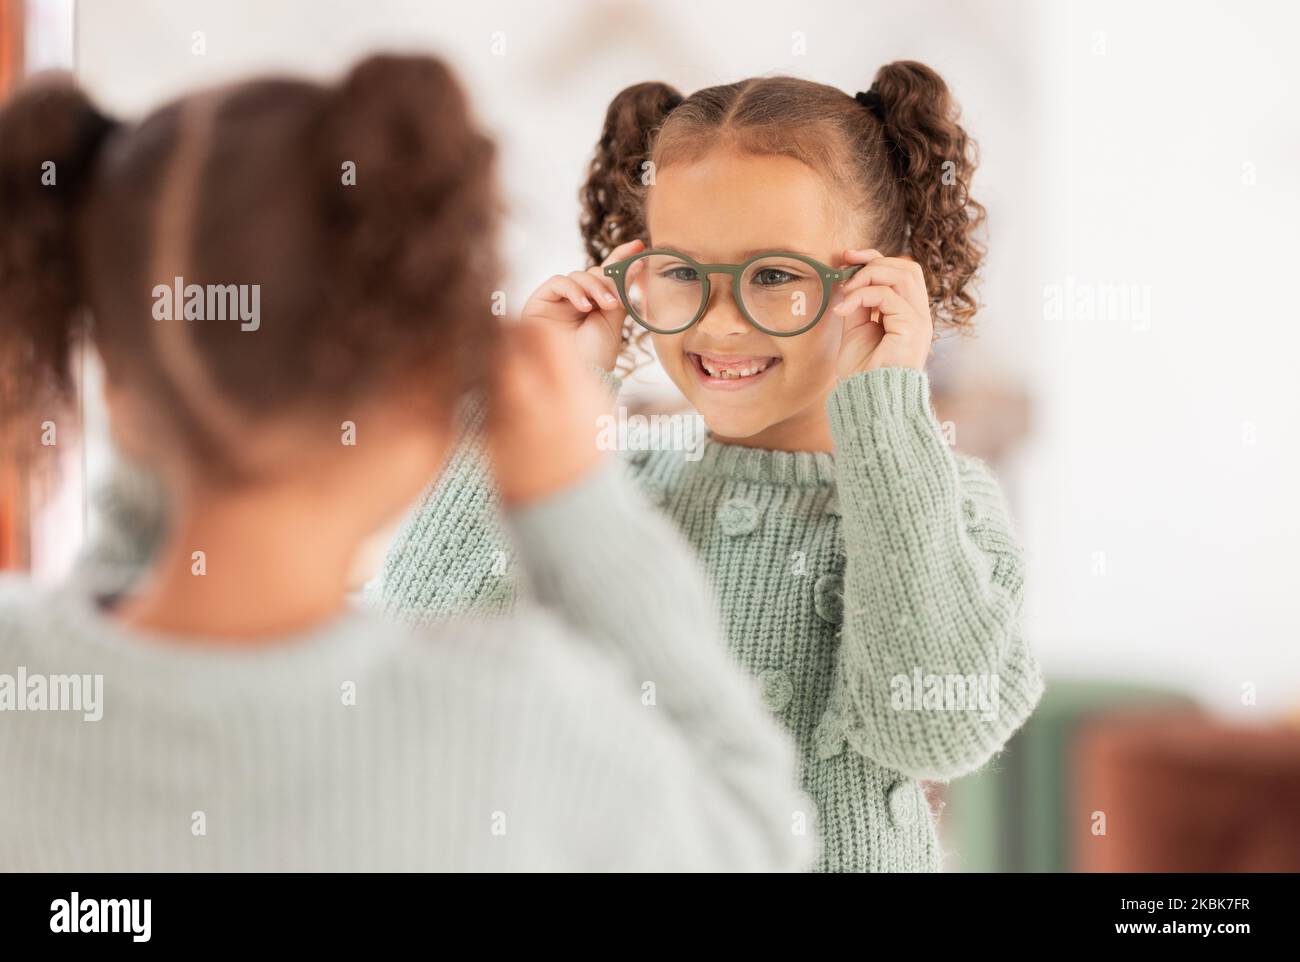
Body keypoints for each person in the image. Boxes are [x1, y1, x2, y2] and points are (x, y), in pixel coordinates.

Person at [0, 57, 812, 872]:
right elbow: (750, 834)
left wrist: (179, 403)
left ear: (112, 379)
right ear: (433, 389)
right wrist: (576, 501)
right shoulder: (521, 726)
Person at [373, 63, 1044, 872]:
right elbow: (423, 639)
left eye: (775, 277)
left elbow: (935, 729)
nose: (720, 326)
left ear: (878, 284)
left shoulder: (944, 504)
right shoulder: (613, 492)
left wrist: (887, 417)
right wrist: (538, 399)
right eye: (684, 272)